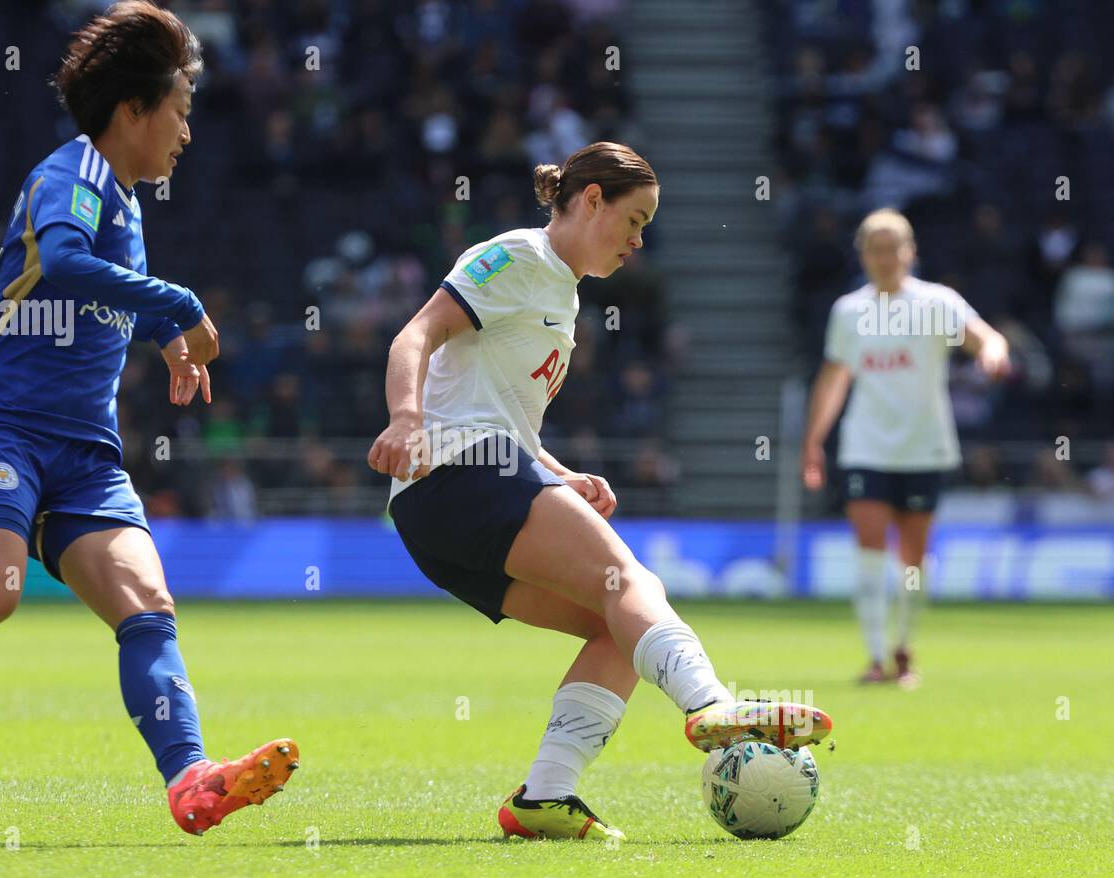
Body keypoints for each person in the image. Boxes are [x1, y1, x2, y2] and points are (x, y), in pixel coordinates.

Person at [0, 0, 297, 836]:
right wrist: (181, 305)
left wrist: (164, 338)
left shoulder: (130, 201)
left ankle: (191, 778)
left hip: (85, 452)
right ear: (133, 110)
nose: (186, 132)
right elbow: (68, 266)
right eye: (179, 111)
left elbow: (110, 300)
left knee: (148, 601)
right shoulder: (66, 176)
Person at [368, 141, 833, 841]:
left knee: (617, 626)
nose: (638, 241)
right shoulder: (517, 257)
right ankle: (710, 704)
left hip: (445, 508)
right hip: (460, 473)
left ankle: (544, 796)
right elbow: (417, 334)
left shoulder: (565, 290)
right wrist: (405, 418)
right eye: (635, 219)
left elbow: (494, 406)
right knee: (630, 579)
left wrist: (557, 472)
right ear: (591, 200)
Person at [801, 208, 1011, 687]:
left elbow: (983, 337)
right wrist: (813, 441)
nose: (884, 258)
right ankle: (876, 657)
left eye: (892, 248)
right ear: (863, 255)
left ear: (909, 252)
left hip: (924, 447)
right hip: (865, 446)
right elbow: (834, 378)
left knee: (913, 559)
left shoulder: (938, 303)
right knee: (869, 548)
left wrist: (995, 353)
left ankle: (903, 647)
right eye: (874, 250)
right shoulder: (849, 311)